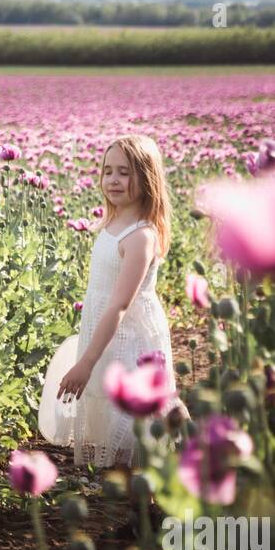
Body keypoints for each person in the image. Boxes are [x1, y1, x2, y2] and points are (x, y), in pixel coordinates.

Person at [40, 134, 176, 468]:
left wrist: (86, 362)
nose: (113, 180)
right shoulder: (114, 221)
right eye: (108, 171)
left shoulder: (141, 236)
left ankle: (140, 496)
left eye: (125, 172)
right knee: (111, 404)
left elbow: (119, 305)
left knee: (132, 414)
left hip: (130, 336)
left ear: (147, 179)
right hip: (105, 331)